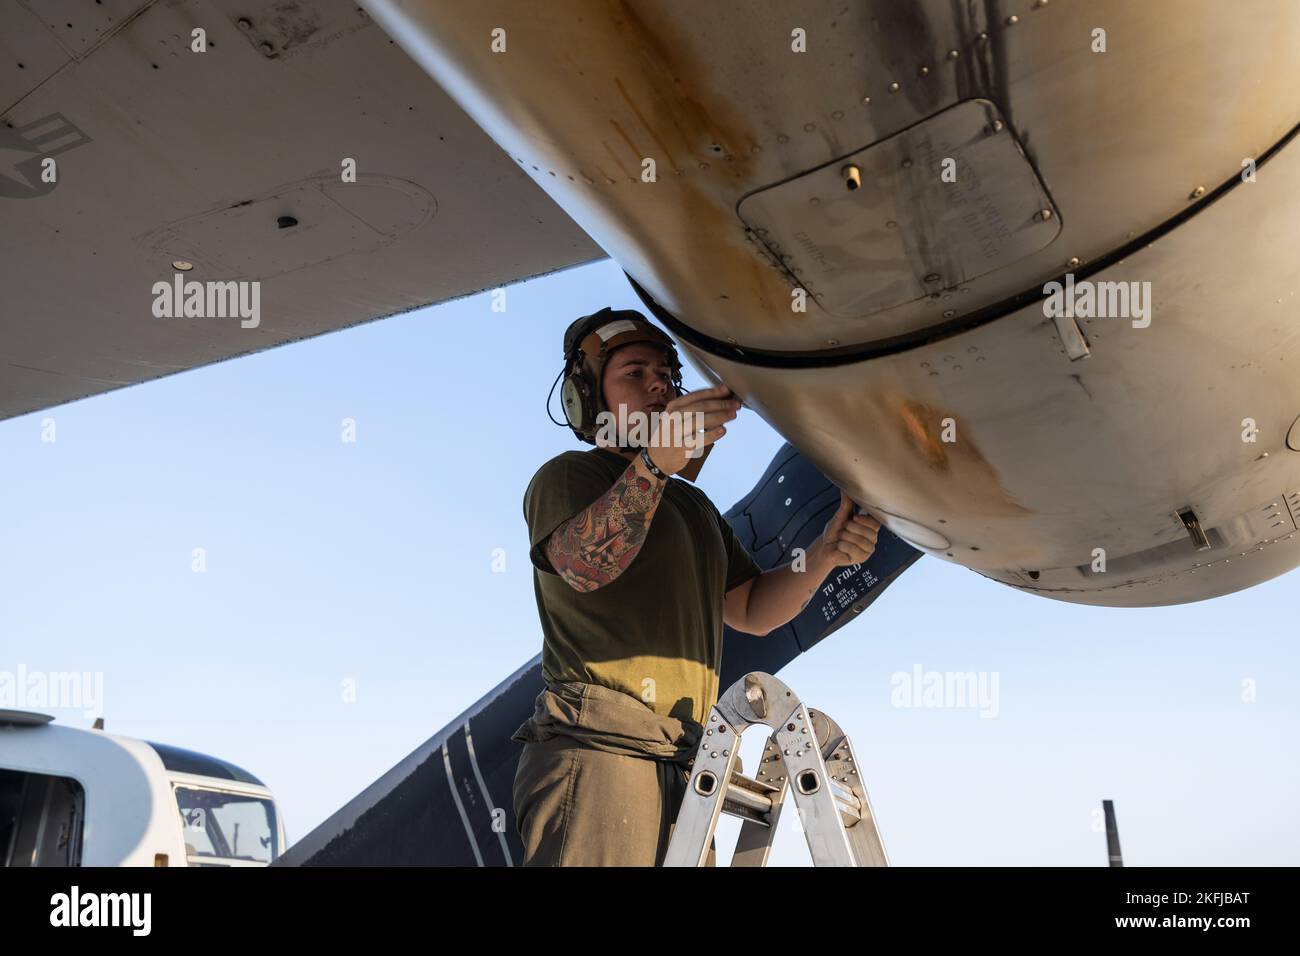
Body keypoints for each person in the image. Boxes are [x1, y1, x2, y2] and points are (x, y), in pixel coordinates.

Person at [511, 307, 880, 866]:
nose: (658, 382)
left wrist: (826, 555)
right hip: (602, 754)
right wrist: (656, 464)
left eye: (665, 372)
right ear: (587, 398)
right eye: (634, 372)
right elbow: (585, 565)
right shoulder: (569, 477)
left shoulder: (694, 507)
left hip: (688, 763)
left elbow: (752, 609)